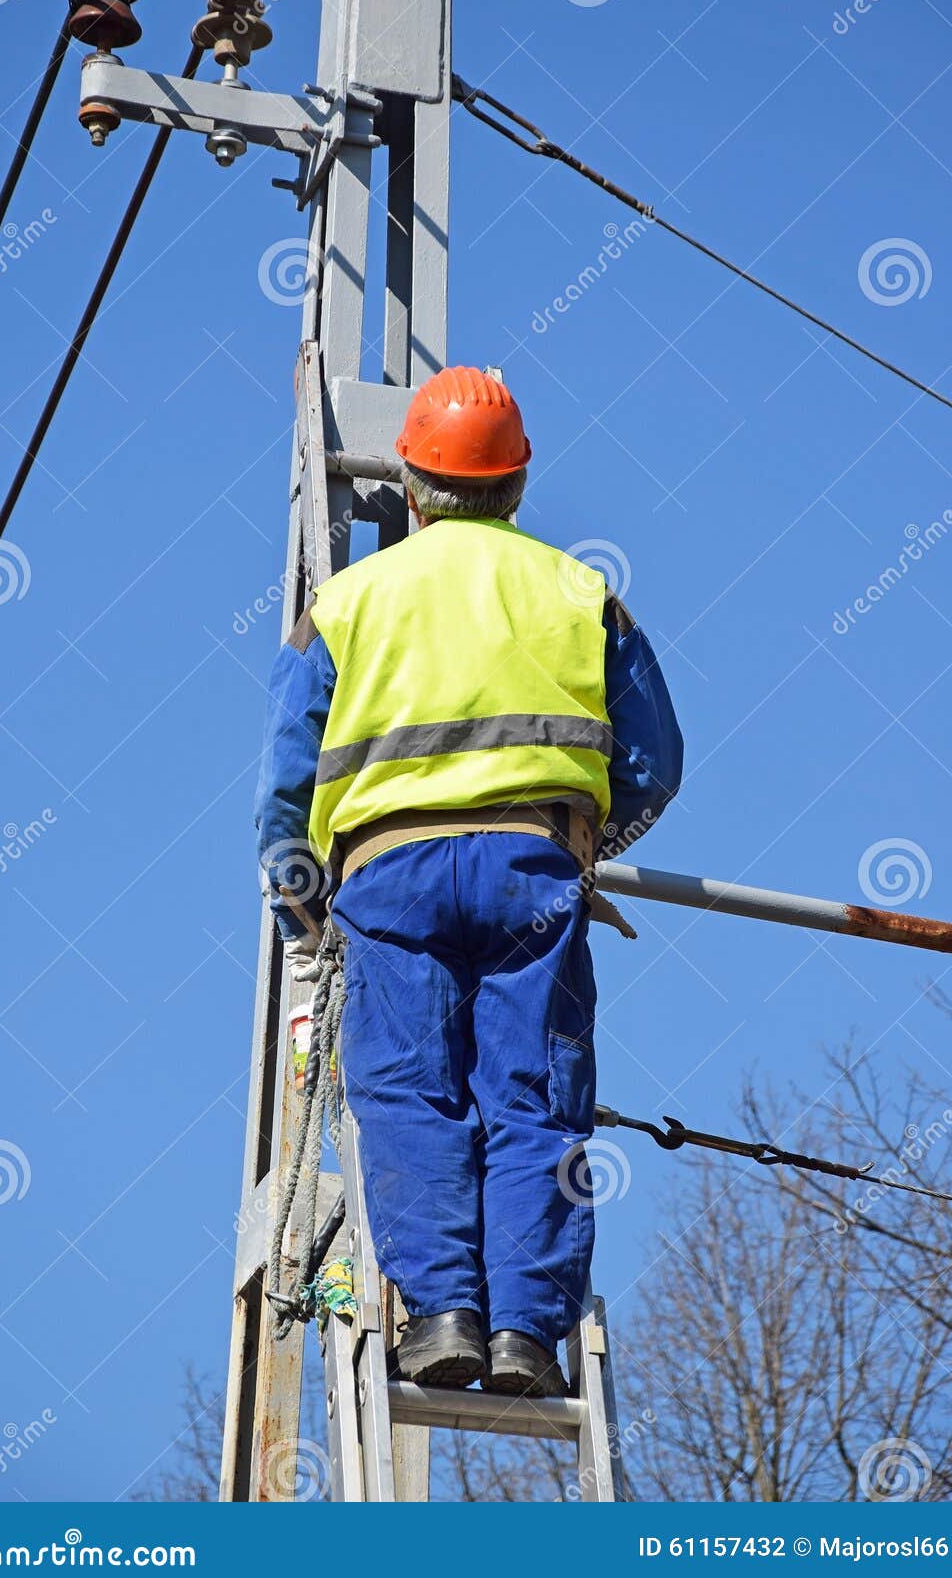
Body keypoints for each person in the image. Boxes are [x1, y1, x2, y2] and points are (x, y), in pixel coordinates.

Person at [255, 366, 682, 1396]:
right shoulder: (582, 594)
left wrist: (301, 907)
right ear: (518, 485)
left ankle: (443, 1313)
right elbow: (654, 762)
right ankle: (528, 1332)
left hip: (387, 874)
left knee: (406, 1092)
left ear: (410, 483)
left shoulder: (346, 603)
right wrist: (589, 840)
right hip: (530, 869)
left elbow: (286, 784)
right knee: (533, 1098)